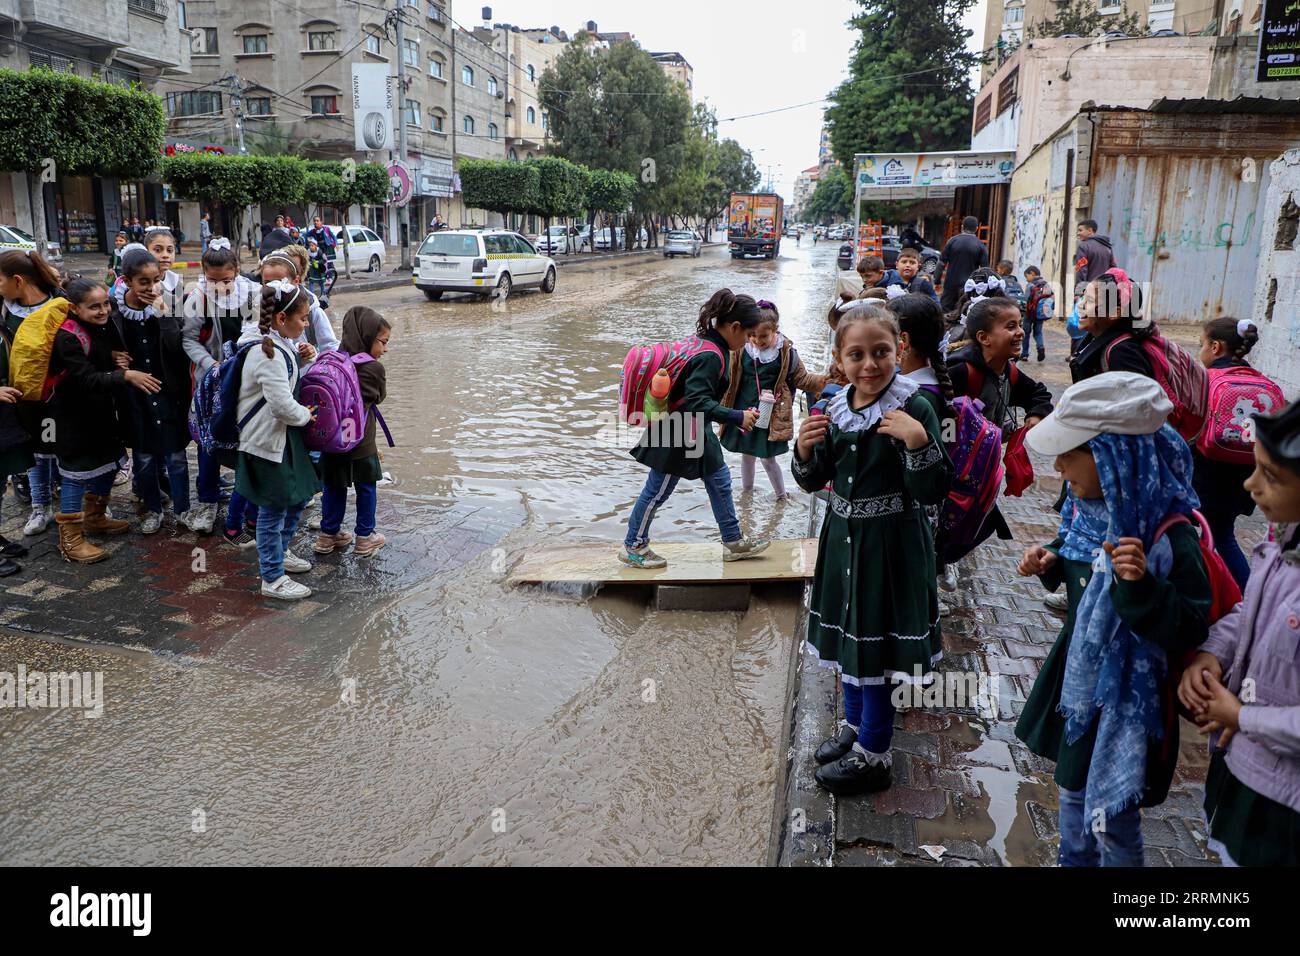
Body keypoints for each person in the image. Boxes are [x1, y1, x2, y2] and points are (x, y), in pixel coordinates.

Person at [1016, 372, 1211, 866]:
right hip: (1082, 687)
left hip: (1126, 701)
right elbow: (1080, 560)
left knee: (1113, 820)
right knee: (1074, 796)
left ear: (1112, 458)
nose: (1058, 466)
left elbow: (1190, 624)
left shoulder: (1170, 539)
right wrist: (1053, 560)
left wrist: (1142, 587)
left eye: (1070, 453)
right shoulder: (1090, 513)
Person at [793, 301, 953, 795]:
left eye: (881, 352)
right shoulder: (834, 406)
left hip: (893, 549)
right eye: (856, 355)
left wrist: (920, 443)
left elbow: (934, 490)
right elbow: (815, 478)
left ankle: (875, 754)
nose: (869, 365)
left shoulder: (916, 406)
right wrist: (802, 450)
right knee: (850, 641)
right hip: (843, 546)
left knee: (876, 650)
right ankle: (856, 726)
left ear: (899, 349)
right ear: (838, 358)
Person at [1182, 399, 1300, 867]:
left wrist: (1241, 716)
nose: (1250, 485)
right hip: (1243, 769)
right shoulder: (1283, 537)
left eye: (1271, 476)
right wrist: (1214, 653)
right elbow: (1252, 607)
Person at [620, 289, 771, 569]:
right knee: (657, 491)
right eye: (748, 335)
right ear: (735, 327)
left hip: (694, 430)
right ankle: (633, 546)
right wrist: (737, 416)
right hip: (676, 433)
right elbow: (698, 401)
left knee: (720, 481)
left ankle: (733, 541)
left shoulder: (705, 344)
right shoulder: (712, 356)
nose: (749, 342)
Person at [49, 279, 163, 563]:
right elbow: (85, 379)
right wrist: (124, 375)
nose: (103, 311)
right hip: (74, 418)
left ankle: (95, 517)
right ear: (75, 308)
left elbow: (106, 356)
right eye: (94, 307)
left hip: (102, 413)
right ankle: (71, 540)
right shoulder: (67, 337)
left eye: (106, 304)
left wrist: (115, 358)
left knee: (108, 465)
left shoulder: (103, 325)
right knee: (76, 475)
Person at [234, 281, 320, 600]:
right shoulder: (266, 352)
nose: (307, 323)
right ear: (282, 318)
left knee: (297, 497)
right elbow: (281, 405)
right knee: (273, 509)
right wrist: (306, 416)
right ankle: (272, 577)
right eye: (303, 318)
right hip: (266, 443)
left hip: (282, 439)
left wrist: (305, 358)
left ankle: (280, 553)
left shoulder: (278, 342)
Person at [111, 247, 195, 534]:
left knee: (176, 456)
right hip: (134, 396)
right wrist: (114, 358)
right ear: (127, 281)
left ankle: (184, 509)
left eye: (155, 280)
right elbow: (104, 345)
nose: (151, 287)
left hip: (168, 391)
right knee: (144, 456)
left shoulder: (169, 304)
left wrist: (164, 313)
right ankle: (151, 509)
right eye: (143, 282)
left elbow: (176, 347)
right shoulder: (114, 310)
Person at [182, 237, 262, 539]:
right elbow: (189, 339)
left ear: (238, 271)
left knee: (246, 437)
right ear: (204, 274)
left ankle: (248, 500)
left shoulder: (253, 293)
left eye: (226, 281)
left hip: (247, 379)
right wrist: (210, 365)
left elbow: (261, 331)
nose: (220, 287)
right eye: (212, 281)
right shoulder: (197, 298)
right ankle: (207, 501)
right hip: (211, 379)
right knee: (208, 439)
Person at [1190, 318, 1275, 590]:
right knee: (1219, 534)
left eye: (1202, 344)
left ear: (1215, 347)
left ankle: (1243, 598)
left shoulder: (1205, 380)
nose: (1200, 350)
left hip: (1207, 473)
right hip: (1244, 475)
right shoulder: (1262, 382)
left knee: (1215, 537)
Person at [717, 299, 825, 500]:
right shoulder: (741, 348)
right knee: (747, 455)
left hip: (770, 412)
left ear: (775, 330)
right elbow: (727, 375)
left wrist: (827, 381)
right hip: (745, 408)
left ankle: (781, 496)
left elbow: (802, 379)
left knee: (767, 458)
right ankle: (746, 495)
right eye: (752, 335)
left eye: (763, 336)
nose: (757, 341)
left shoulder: (786, 352)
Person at [314, 307, 390, 558]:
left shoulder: (331, 360)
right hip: (361, 441)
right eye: (383, 342)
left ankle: (327, 536)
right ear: (367, 337)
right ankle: (365, 538)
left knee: (333, 486)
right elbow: (379, 397)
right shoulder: (373, 368)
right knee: (366, 487)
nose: (385, 349)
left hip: (331, 440)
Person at [0, 249, 63, 537]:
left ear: (17, 281)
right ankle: (41, 506)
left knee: (65, 447)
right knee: (35, 452)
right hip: (22, 398)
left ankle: (85, 505)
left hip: (61, 395)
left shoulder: (60, 306)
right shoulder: (4, 311)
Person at [1069, 268, 1152, 383]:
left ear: (1114, 313)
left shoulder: (1122, 354)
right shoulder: (1093, 338)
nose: (1080, 305)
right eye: (1083, 297)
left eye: (1090, 300)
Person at [258, 247, 339, 357]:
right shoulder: (253, 311)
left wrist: (313, 353)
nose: (274, 287)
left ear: (296, 280)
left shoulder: (312, 310)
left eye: (280, 282)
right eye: (268, 282)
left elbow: (331, 348)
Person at [939, 216, 988, 312]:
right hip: (969, 286)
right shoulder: (980, 245)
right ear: (977, 228)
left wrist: (937, 280)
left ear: (962, 226)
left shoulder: (952, 241)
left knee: (945, 312)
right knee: (965, 312)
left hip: (950, 285)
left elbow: (941, 263)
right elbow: (984, 269)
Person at [1021, 265, 1053, 363]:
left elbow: (1025, 300)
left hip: (1029, 314)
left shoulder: (1030, 285)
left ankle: (1024, 354)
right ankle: (1040, 347)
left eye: (1027, 276)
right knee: (1038, 333)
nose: (1027, 280)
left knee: (1026, 334)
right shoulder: (1046, 284)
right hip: (1040, 314)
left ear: (1032, 273)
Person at [1074, 219, 1115, 292]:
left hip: (1089, 290)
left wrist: (1079, 292)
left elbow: (1081, 270)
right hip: (1104, 290)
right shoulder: (1107, 247)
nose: (1078, 233)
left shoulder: (1084, 246)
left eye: (1080, 230)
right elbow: (1113, 269)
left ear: (1090, 230)